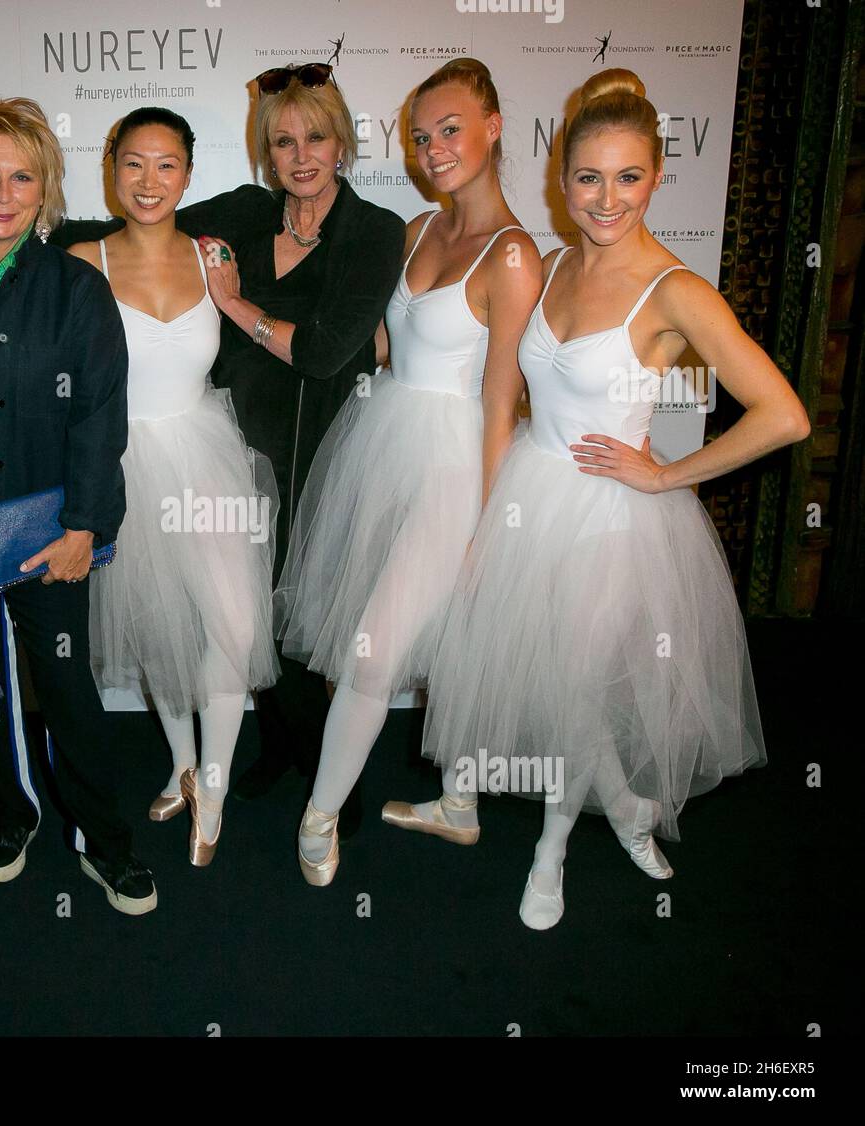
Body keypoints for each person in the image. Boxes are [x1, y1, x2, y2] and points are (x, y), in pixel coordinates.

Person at [390, 69, 810, 928]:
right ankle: (619, 806)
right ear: (561, 180)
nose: (606, 198)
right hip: (529, 493)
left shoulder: (676, 291)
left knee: (576, 686)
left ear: (656, 177)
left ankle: (551, 859)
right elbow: (506, 387)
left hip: (613, 517)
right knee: (534, 676)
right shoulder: (546, 266)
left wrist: (660, 473)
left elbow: (785, 416)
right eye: (588, 177)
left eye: (627, 177)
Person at [50, 64, 407, 834]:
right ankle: (209, 765)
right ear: (265, 153)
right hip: (214, 443)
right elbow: (124, 224)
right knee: (162, 621)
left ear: (342, 142)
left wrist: (233, 302)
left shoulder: (372, 231)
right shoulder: (240, 218)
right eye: (283, 140)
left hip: (310, 453)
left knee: (271, 627)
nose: (301, 154)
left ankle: (312, 790)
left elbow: (321, 350)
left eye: (315, 136)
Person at [273, 60, 542, 885]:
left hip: (456, 464)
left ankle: (319, 816)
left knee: (374, 649)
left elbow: (501, 402)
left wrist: (490, 525)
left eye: (450, 129)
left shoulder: (515, 256)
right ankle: (459, 804)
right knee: (402, 632)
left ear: (494, 126)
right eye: (421, 137)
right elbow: (386, 345)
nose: (433, 149)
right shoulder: (418, 228)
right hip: (382, 437)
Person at [0, 97, 158, 914]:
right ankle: (14, 813)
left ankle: (103, 842)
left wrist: (86, 525)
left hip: (47, 529)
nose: (3, 194)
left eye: (22, 176)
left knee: (69, 690)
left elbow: (99, 416)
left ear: (46, 187)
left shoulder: (76, 288)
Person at [66, 107, 280, 865]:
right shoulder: (81, 261)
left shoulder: (216, 251)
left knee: (235, 627)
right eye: (133, 163)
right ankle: (182, 764)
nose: (148, 181)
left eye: (165, 165)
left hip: (205, 451)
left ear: (189, 174)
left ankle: (213, 786)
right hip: (120, 462)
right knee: (157, 627)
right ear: (111, 170)